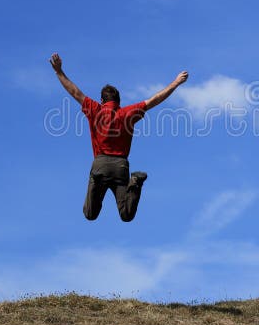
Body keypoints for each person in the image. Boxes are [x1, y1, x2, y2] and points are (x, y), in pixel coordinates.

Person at [49, 53, 188, 222]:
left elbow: (75, 92)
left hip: (100, 165)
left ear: (102, 100)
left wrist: (59, 72)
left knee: (90, 214)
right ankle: (135, 183)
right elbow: (153, 100)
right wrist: (176, 83)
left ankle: (96, 179)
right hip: (120, 167)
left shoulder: (96, 109)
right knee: (126, 215)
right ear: (119, 101)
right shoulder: (127, 113)